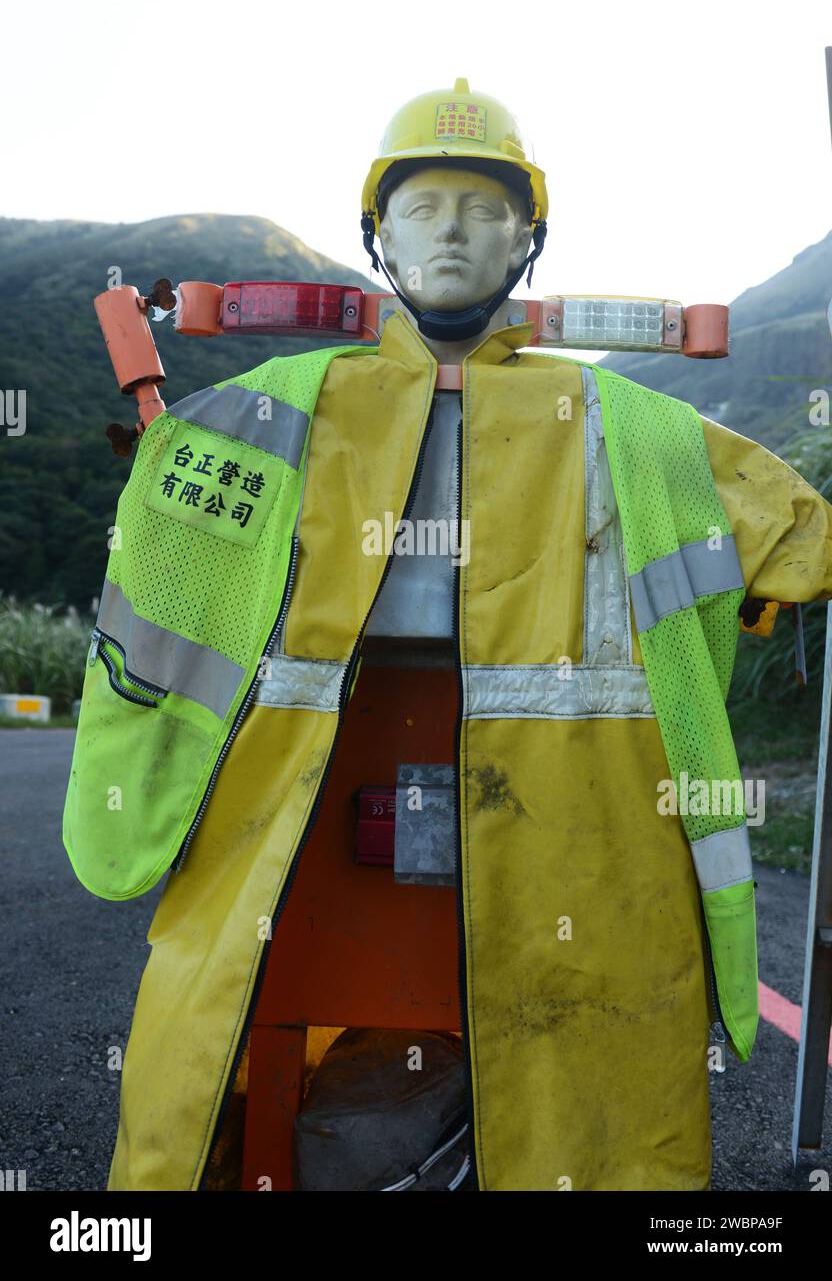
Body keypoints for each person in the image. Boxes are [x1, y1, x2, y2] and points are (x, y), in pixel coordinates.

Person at [65, 78, 832, 1191]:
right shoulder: (263, 418)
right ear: (376, 234)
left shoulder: (649, 439)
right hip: (339, 833)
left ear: (529, 238)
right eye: (426, 206)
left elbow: (803, 542)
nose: (456, 231)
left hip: (577, 856)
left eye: (485, 208)